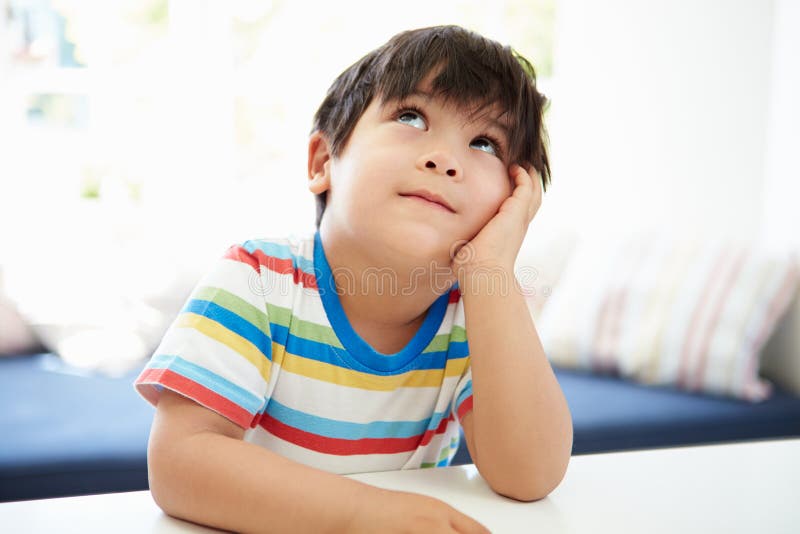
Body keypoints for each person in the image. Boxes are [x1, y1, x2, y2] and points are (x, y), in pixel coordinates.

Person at [134, 24, 573, 533]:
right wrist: (360, 515)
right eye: (411, 116)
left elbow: (531, 474)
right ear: (324, 161)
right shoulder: (259, 280)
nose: (446, 160)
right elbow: (179, 464)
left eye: (485, 143)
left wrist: (490, 269)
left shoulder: (476, 315)